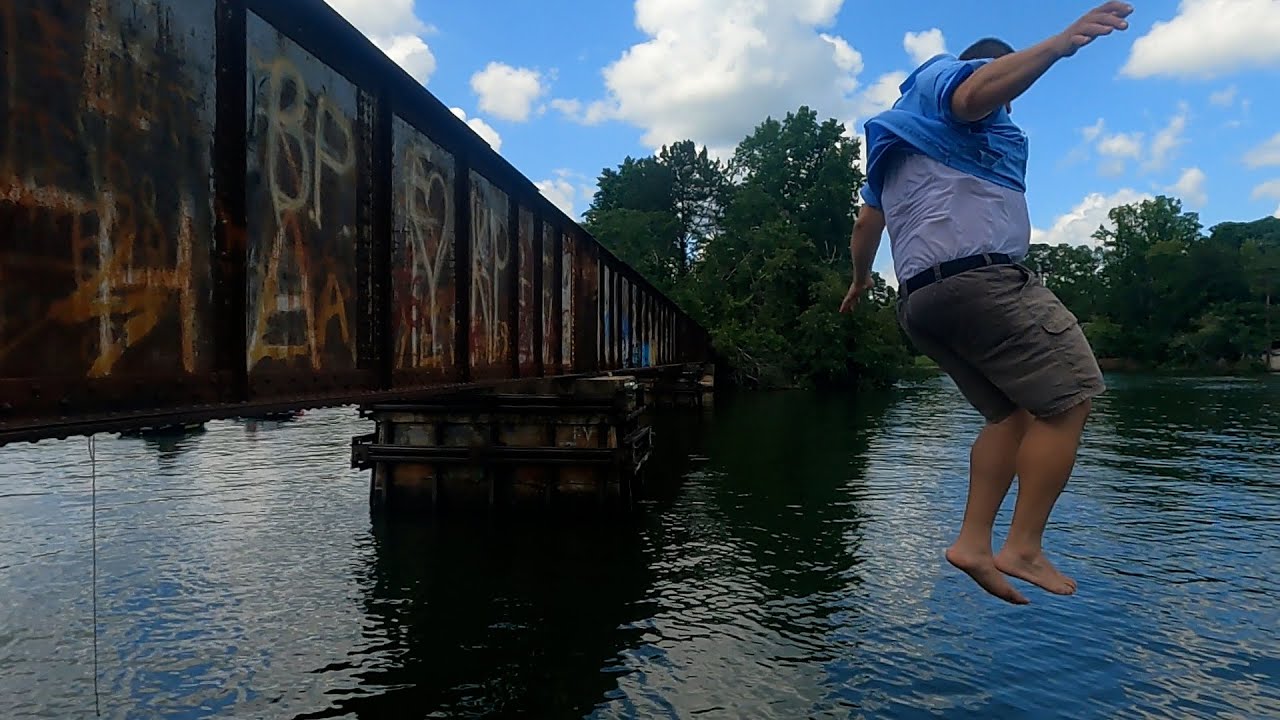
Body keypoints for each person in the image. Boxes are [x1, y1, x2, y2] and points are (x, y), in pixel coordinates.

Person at [838, 2, 1133, 605]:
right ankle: (1022, 544)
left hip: (922, 302)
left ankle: (973, 542)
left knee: (1013, 417)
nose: (1006, 103)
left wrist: (861, 279)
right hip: (981, 284)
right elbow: (972, 96)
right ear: (993, 70)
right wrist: (1059, 44)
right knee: (1073, 396)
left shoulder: (896, 150)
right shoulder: (946, 82)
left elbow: (868, 224)